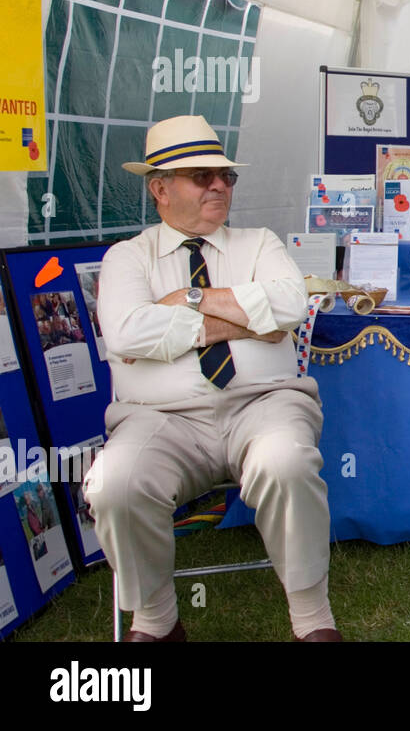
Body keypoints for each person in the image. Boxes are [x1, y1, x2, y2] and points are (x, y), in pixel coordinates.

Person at [86, 116, 340, 642]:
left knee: (286, 461)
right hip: (159, 419)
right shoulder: (127, 257)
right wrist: (247, 320)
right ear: (160, 188)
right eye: (202, 176)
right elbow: (129, 333)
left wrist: (188, 300)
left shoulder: (259, 241)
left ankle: (312, 621)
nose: (220, 185)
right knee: (114, 482)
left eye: (226, 176)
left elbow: (291, 304)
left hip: (263, 404)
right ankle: (157, 621)